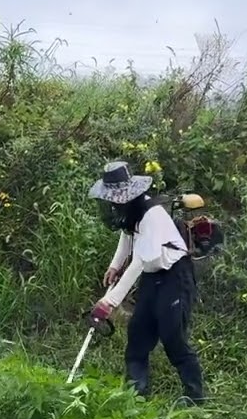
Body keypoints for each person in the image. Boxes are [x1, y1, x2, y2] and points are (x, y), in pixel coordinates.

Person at [87, 161, 206, 405]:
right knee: (138, 332)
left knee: (172, 335)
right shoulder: (130, 212)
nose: (111, 204)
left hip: (174, 275)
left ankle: (195, 396)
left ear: (126, 195)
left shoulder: (151, 215)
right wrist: (114, 266)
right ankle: (136, 393)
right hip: (153, 276)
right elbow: (127, 236)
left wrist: (109, 302)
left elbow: (139, 263)